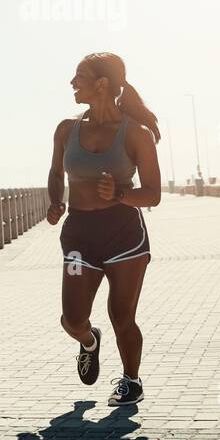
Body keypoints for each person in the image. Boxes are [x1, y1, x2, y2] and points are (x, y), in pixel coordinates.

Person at [46, 52, 161, 405]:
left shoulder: (136, 134)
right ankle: (88, 341)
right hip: (80, 234)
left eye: (79, 76)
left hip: (124, 234)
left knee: (122, 314)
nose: (72, 82)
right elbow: (55, 173)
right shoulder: (67, 129)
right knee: (72, 317)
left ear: (101, 83)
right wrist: (55, 202)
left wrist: (121, 193)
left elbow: (153, 195)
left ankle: (131, 381)